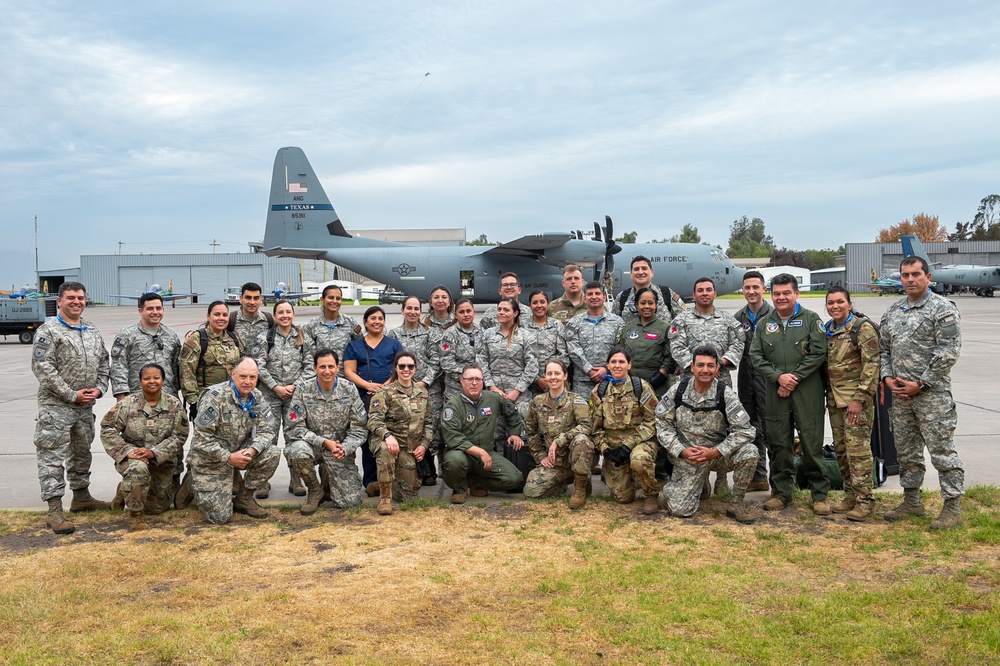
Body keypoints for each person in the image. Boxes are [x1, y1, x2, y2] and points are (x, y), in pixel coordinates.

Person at [880, 256, 964, 529]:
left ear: (928, 277)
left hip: (932, 396)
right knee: (906, 452)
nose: (910, 279)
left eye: (916, 274)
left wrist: (921, 383)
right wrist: (887, 378)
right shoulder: (893, 312)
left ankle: (952, 506)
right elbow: (884, 350)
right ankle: (912, 501)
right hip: (901, 396)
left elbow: (948, 352)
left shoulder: (942, 309)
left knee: (941, 451)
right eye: (905, 275)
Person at [31, 281, 112, 534]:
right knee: (52, 458)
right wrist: (71, 395)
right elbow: (43, 368)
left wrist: (99, 389)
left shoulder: (91, 330)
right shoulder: (48, 331)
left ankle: (81, 497)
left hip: (84, 407)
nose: (77, 302)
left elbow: (104, 363)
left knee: (81, 453)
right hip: (56, 407)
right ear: (60, 301)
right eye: (71, 298)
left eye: (80, 298)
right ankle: (54, 510)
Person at [749, 273, 830, 515]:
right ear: (771, 295)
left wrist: (793, 378)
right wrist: (778, 377)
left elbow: (818, 353)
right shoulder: (764, 324)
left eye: (786, 293)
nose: (781, 297)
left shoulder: (811, 320)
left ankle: (820, 494)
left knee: (811, 443)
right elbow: (756, 355)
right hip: (776, 393)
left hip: (807, 392)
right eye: (776, 293)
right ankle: (782, 493)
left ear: (796, 293)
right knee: (779, 444)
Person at [656, 346, 758, 524]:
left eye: (710, 365)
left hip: (716, 455)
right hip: (688, 457)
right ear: (692, 367)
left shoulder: (725, 394)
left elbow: (745, 430)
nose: (705, 370)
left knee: (750, 452)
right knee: (679, 510)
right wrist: (681, 450)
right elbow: (662, 422)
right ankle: (693, 485)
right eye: (700, 365)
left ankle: (736, 504)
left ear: (717, 368)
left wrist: (715, 452)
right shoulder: (678, 390)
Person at [669, 276, 745, 494]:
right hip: (690, 382)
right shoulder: (681, 321)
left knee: (723, 425)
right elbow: (677, 346)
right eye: (700, 290)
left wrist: (721, 363)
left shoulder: (728, 321)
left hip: (721, 380)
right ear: (694, 295)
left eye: (708, 290)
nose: (704, 293)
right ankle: (699, 475)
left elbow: (739, 343)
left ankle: (721, 477)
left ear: (714, 293)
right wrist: (696, 368)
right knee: (691, 427)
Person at [186, 357, 280, 525]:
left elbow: (267, 430)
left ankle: (244, 498)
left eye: (252, 377)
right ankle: (194, 483)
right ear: (233, 375)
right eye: (243, 376)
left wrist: (251, 451)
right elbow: (202, 439)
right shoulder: (214, 397)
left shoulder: (256, 396)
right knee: (220, 518)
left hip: (238, 452)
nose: (248, 381)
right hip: (211, 459)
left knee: (272, 453)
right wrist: (229, 457)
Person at [100, 363, 189, 531]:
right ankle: (135, 517)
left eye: (156, 378)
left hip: (160, 461)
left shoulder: (174, 404)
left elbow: (180, 435)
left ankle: (124, 490)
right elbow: (108, 428)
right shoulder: (128, 403)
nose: (152, 381)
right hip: (133, 457)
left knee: (156, 508)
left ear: (163, 380)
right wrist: (128, 452)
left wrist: (154, 452)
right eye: (147, 378)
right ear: (140, 381)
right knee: (138, 470)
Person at [284, 349, 368, 513]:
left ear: (338, 368)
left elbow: (359, 428)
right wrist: (323, 442)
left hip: (339, 450)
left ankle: (327, 474)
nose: (327, 371)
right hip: (313, 447)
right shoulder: (303, 389)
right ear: (315, 368)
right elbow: (293, 428)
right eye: (322, 367)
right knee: (296, 451)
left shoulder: (349, 389)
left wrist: (345, 448)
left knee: (349, 502)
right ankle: (315, 490)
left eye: (331, 366)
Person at [823, 287, 879, 522]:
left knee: (858, 451)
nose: (835, 306)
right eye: (831, 303)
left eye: (840, 302)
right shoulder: (828, 329)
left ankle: (865, 501)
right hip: (835, 400)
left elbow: (872, 365)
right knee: (842, 450)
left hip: (855, 401)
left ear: (849, 304)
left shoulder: (862, 328)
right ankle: (850, 496)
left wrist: (859, 399)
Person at [252, 299, 312, 499]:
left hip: (295, 397)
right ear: (275, 316)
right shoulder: (264, 338)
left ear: (293, 314)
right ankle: (262, 481)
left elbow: (310, 366)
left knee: (295, 437)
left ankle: (296, 480)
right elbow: (258, 366)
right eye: (281, 312)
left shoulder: (303, 337)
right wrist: (275, 387)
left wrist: (295, 386)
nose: (285, 316)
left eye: (288, 312)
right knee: (266, 436)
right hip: (269, 397)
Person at [590, 348, 661, 515]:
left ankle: (650, 494)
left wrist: (628, 445)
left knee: (639, 460)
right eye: (613, 362)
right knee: (623, 497)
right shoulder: (599, 391)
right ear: (608, 365)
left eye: (621, 362)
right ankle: (632, 479)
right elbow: (595, 428)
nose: (617, 365)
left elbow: (652, 421)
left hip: (640, 442)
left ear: (629, 365)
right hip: (613, 446)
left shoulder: (641, 387)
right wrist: (605, 450)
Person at [440, 363, 525, 503]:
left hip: (487, 452)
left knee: (514, 478)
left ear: (483, 381)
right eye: (470, 379)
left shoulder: (493, 398)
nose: (474, 383)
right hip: (462, 453)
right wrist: (480, 452)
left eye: (478, 379)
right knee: (454, 462)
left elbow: (512, 413)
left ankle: (475, 482)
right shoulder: (453, 406)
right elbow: (453, 437)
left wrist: (514, 433)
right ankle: (459, 488)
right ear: (462, 381)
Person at [343, 306, 405, 494]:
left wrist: (385, 386)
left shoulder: (393, 344)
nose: (377, 321)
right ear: (365, 322)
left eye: (380, 318)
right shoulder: (355, 346)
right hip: (364, 397)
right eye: (373, 318)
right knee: (368, 437)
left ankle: (393, 480)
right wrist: (368, 386)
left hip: (390, 396)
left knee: (391, 435)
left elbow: (400, 368)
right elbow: (349, 371)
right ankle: (371, 481)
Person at [367, 351, 433, 515]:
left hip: (409, 447)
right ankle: (385, 498)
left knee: (408, 497)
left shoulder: (423, 393)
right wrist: (387, 436)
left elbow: (428, 423)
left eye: (410, 366)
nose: (406, 369)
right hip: (388, 441)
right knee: (385, 450)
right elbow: (373, 420)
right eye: (402, 366)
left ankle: (381, 484)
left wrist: (424, 445)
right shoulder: (385, 392)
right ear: (395, 368)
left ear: (415, 369)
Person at [523, 359, 595, 508]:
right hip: (555, 462)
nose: (553, 377)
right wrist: (540, 456)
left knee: (582, 440)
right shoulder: (537, 402)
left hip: (576, 457)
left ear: (565, 375)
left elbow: (587, 426)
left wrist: (559, 440)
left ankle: (580, 486)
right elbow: (531, 431)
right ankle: (563, 482)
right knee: (531, 491)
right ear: (545, 377)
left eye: (557, 373)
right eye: (549, 374)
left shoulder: (575, 401)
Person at [387, 296, 437, 486]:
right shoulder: (393, 334)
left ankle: (428, 470)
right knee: (405, 427)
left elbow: (435, 361)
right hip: (399, 389)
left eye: (416, 308)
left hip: (423, 389)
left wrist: (424, 383)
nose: (413, 312)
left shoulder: (429, 333)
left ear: (421, 311)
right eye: (409, 308)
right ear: (402, 310)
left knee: (424, 426)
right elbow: (390, 361)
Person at [733, 270, 772, 493]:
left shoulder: (774, 315)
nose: (751, 291)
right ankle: (758, 477)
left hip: (769, 380)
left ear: (763, 289)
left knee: (772, 428)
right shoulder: (738, 318)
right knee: (750, 427)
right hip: (746, 378)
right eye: (747, 287)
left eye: (755, 287)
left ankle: (780, 480)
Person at [109, 292, 182, 401]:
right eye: (150, 309)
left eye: (158, 308)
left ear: (163, 310)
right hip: (136, 399)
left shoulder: (171, 335)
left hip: (167, 398)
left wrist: (176, 395)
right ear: (140, 311)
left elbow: (176, 367)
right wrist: (121, 398)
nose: (155, 312)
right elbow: (118, 367)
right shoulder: (127, 335)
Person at [418, 285, 457, 483]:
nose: (440, 300)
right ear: (431, 302)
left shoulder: (458, 321)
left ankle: (446, 465)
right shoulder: (423, 325)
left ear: (450, 301)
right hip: (431, 383)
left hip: (453, 382)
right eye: (436, 297)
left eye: (444, 297)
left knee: (449, 422)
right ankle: (430, 469)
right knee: (432, 423)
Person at [179, 301, 243, 415]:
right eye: (216, 314)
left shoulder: (233, 338)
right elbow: (186, 370)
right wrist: (193, 402)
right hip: (207, 399)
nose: (221, 318)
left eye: (224, 315)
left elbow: (242, 365)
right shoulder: (197, 339)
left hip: (232, 398)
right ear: (208, 316)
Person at [565, 281, 625, 396]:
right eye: (590, 294)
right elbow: (573, 349)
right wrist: (589, 369)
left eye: (597, 293)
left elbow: (620, 348)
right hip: (582, 383)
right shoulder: (574, 323)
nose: (594, 297)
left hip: (611, 379)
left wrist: (606, 369)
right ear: (585, 299)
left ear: (604, 298)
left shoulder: (617, 322)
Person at [617, 287, 674, 398]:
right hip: (629, 384)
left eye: (650, 303)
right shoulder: (628, 328)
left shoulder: (665, 328)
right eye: (642, 303)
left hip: (657, 384)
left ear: (656, 305)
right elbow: (620, 353)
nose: (647, 306)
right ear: (636, 305)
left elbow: (670, 359)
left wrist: (657, 378)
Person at [301, 284, 361, 376]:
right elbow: (308, 355)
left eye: (338, 298)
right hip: (321, 377)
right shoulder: (312, 325)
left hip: (344, 377)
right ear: (322, 300)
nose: (335, 301)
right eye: (331, 298)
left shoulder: (350, 323)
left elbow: (360, 348)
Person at [523, 290, 569, 399]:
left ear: (548, 303)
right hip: (530, 384)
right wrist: (537, 379)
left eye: (542, 302)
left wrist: (552, 377)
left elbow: (563, 354)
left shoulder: (557, 325)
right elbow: (520, 357)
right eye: (535, 303)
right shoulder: (523, 327)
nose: (539, 306)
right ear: (529, 305)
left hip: (555, 382)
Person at [612, 255, 685, 323]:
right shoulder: (622, 298)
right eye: (636, 269)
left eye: (644, 268)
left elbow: (684, 318)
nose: (640, 272)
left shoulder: (666, 293)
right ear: (631, 274)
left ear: (652, 272)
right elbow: (613, 324)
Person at [436, 298, 481, 402]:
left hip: (478, 391)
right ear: (456, 315)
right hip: (456, 392)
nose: (466, 314)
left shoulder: (481, 332)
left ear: (474, 312)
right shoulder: (449, 335)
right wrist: (469, 376)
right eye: (461, 312)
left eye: (468, 311)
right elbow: (446, 363)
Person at [229, 282, 273, 351]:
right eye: (248, 298)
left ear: (261, 300)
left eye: (256, 298)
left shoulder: (269, 320)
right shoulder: (231, 320)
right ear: (241, 299)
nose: (252, 302)